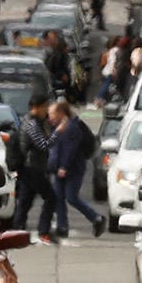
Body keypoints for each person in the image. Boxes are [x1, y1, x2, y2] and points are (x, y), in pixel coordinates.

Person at [46, 100, 107, 239]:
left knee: (71, 197)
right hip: (58, 168)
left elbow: (70, 149)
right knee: (58, 198)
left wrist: (64, 166)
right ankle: (62, 227)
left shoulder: (72, 127)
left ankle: (97, 218)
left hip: (72, 169)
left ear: (61, 113)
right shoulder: (59, 127)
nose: (50, 117)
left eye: (52, 114)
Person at [13, 96, 58, 234]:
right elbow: (43, 145)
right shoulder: (31, 124)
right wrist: (58, 132)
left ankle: (18, 229)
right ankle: (43, 229)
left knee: (25, 201)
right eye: (45, 107)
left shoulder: (34, 122)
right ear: (35, 107)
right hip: (32, 168)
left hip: (30, 168)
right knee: (51, 197)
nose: (46, 110)